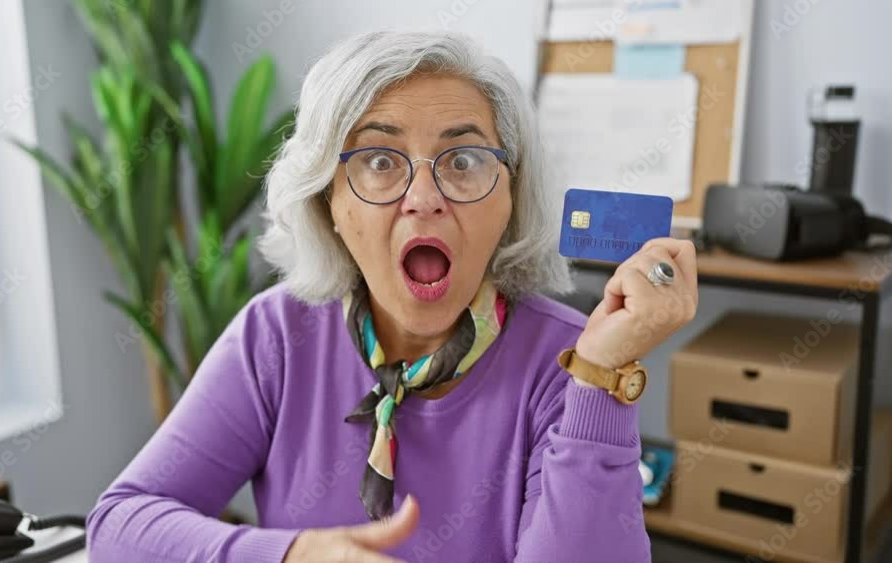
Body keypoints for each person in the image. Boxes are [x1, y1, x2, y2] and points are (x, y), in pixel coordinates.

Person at [86, 30, 698, 562]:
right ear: (328, 202)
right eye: (380, 160)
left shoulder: (573, 362)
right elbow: (119, 525)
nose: (424, 198)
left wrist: (599, 378)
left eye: (463, 160)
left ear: (510, 198)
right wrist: (290, 555)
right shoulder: (277, 335)